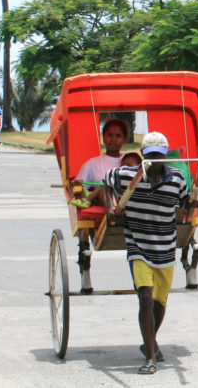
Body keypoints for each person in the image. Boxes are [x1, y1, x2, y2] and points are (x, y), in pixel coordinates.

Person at [105, 131, 198, 375]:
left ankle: (149, 341)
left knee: (159, 303)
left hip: (166, 247)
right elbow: (106, 181)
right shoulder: (127, 176)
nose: (155, 161)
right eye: (150, 156)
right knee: (145, 297)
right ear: (144, 156)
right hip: (138, 244)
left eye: (159, 155)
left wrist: (192, 205)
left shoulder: (177, 179)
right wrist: (111, 206)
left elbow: (184, 206)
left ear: (164, 156)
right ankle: (150, 355)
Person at [72, 118, 129, 294]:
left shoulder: (130, 160)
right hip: (103, 202)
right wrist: (78, 185)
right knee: (107, 186)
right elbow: (79, 186)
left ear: (124, 139)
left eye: (118, 136)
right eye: (110, 135)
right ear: (103, 138)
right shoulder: (93, 163)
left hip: (127, 199)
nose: (113, 139)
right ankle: (115, 213)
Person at [70, 152, 142, 208]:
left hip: (125, 201)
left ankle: (89, 200)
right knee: (105, 185)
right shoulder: (121, 178)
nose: (125, 169)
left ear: (139, 167)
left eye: (129, 166)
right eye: (122, 167)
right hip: (115, 200)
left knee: (106, 185)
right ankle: (90, 199)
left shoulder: (139, 180)